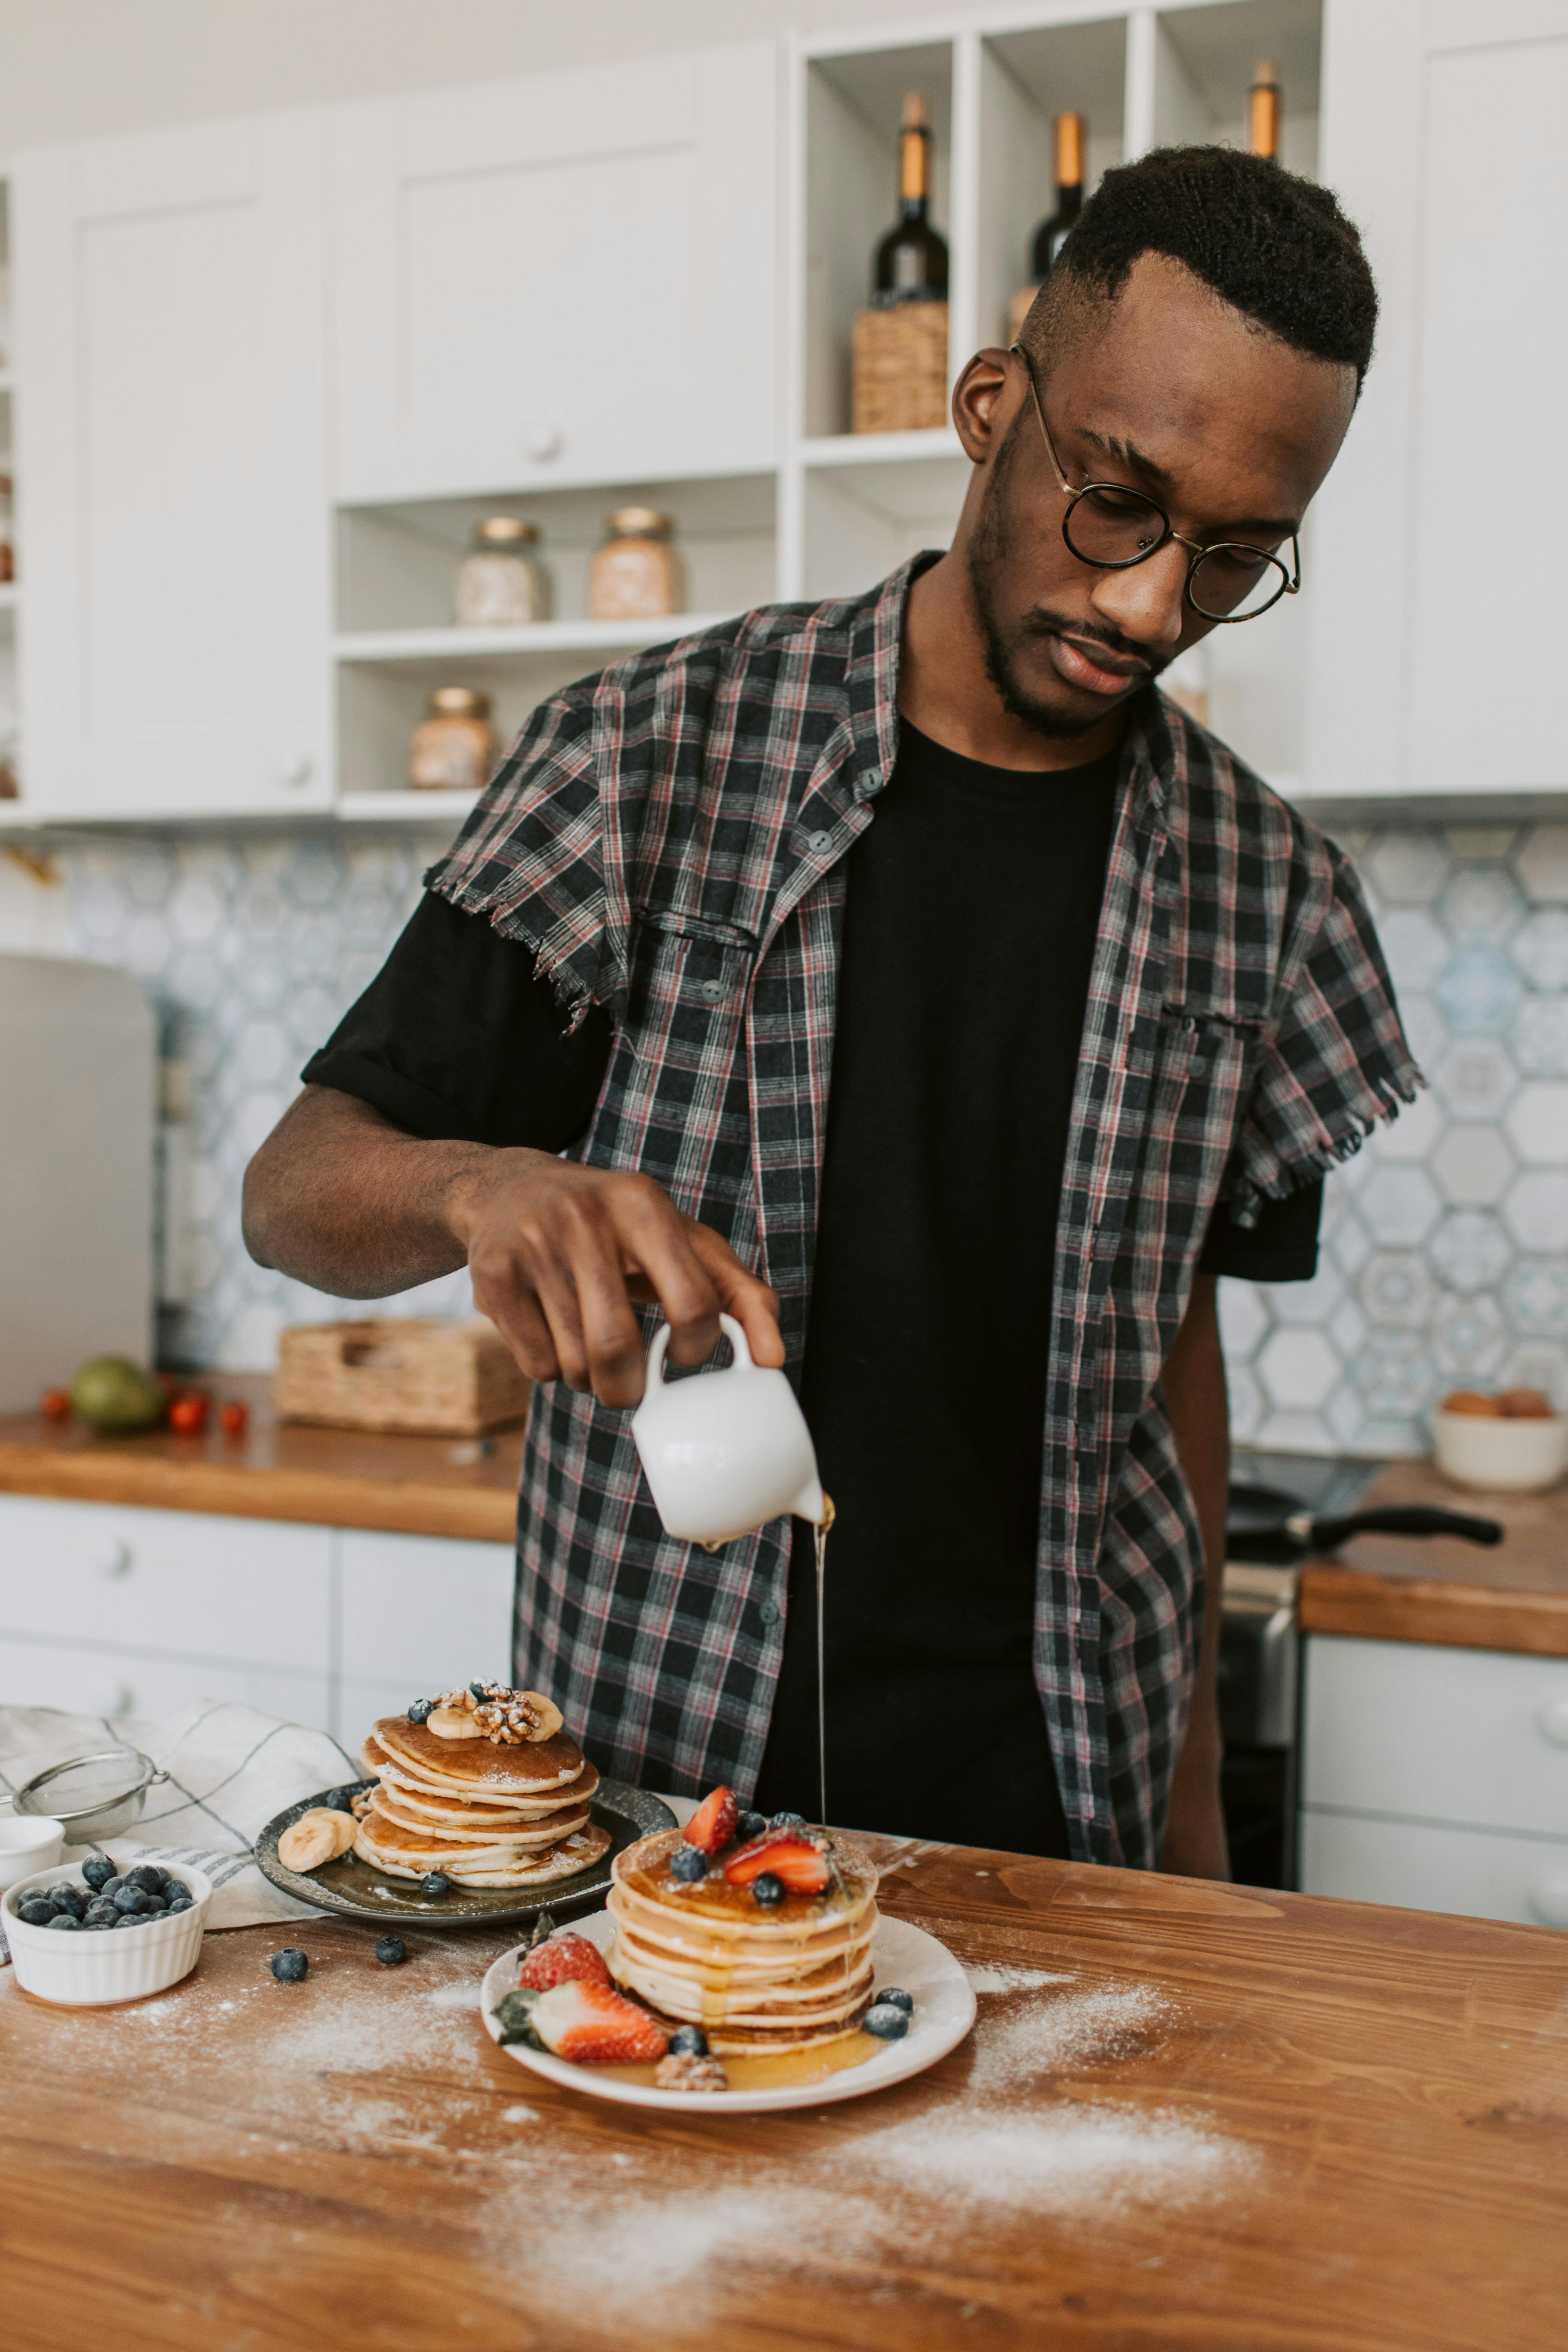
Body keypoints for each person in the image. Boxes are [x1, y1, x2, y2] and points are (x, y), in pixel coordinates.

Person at [244, 145, 1415, 1880]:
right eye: (1115, 499)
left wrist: (1187, 1828)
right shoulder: (653, 758)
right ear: (990, 404)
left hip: (1059, 1790)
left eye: (1237, 557)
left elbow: (1182, 1348)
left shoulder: (1271, 891)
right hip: (658, 1766)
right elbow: (297, 1190)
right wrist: (483, 1186)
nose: (1154, 604)